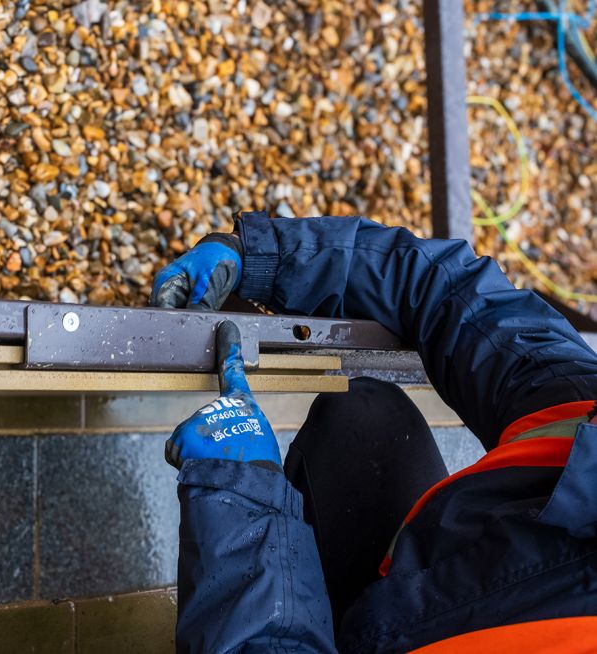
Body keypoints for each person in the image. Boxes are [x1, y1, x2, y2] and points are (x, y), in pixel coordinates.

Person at [151, 214, 597, 653]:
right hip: (422, 592)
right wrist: (260, 256)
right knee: (366, 419)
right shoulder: (586, 417)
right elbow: (460, 299)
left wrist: (241, 504)